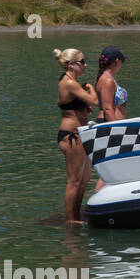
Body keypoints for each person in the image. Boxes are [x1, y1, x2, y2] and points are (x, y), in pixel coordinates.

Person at [55, 48, 98, 224]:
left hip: (79, 133)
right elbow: (95, 101)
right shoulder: (69, 83)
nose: (85, 65)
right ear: (71, 64)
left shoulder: (73, 81)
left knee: (85, 178)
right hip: (70, 135)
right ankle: (71, 219)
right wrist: (91, 88)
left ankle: (76, 213)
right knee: (74, 180)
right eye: (82, 61)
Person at [95, 45, 128, 122]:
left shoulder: (105, 77)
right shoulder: (107, 80)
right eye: (122, 60)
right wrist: (117, 129)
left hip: (109, 123)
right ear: (117, 60)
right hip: (108, 124)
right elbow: (107, 109)